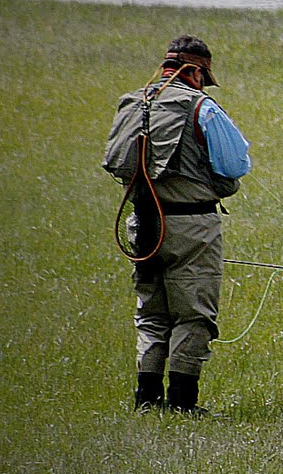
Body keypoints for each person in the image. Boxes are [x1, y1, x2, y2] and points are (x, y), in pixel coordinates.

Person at [104, 35, 252, 413]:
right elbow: (236, 165)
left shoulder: (134, 102)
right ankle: (183, 403)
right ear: (197, 71)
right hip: (192, 227)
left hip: (142, 222)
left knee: (151, 312)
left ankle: (146, 399)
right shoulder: (202, 107)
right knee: (194, 314)